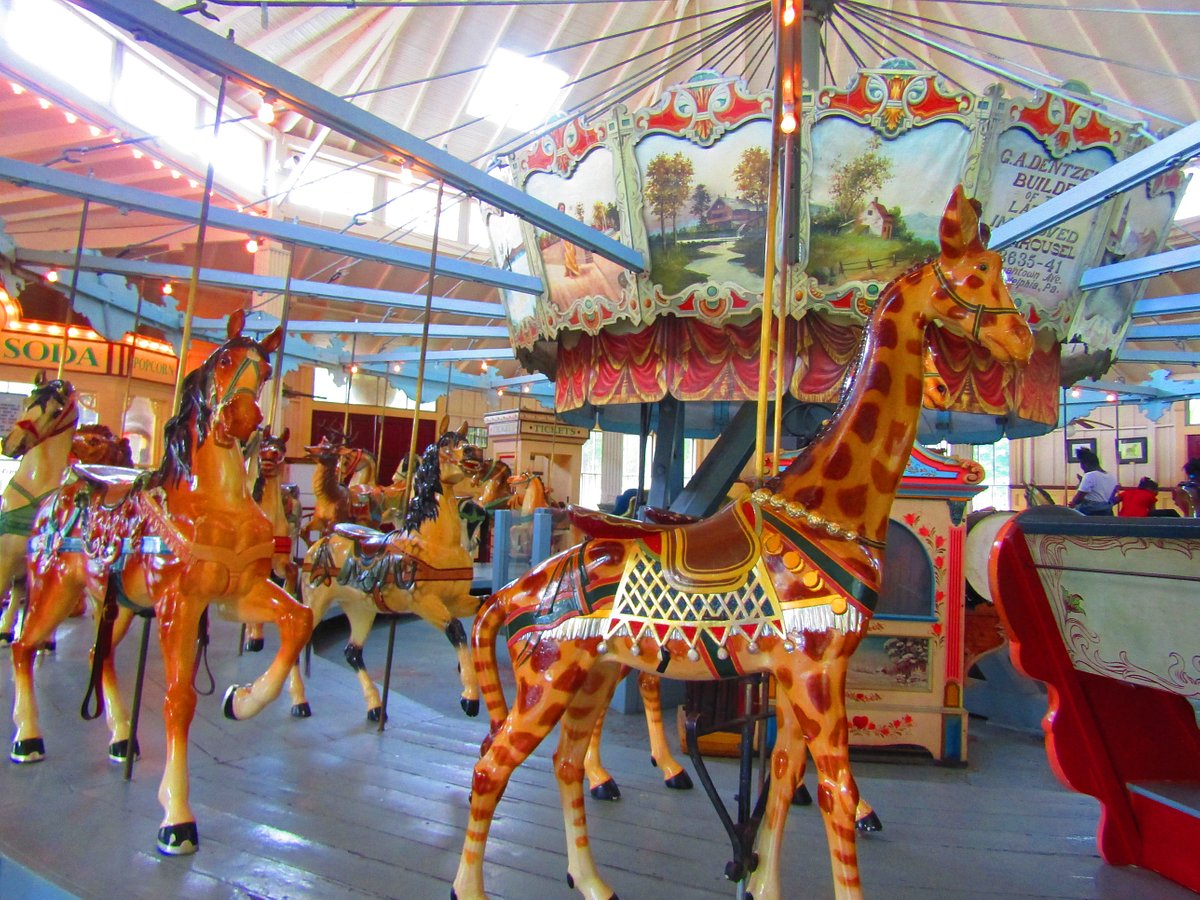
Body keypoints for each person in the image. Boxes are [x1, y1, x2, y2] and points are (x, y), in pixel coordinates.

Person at [1067, 447, 1118, 516]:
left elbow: (1079, 497)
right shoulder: (1111, 476)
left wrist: (1072, 504)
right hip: (1107, 511)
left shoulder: (1089, 475)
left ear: (1085, 464)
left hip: (1090, 511)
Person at [558, 202, 581, 278]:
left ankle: (572, 271)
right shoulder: (557, 219)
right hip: (564, 239)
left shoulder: (565, 217)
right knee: (567, 256)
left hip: (569, 238)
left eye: (563, 208)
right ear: (558, 209)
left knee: (572, 254)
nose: (562, 210)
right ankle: (570, 273)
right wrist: (562, 241)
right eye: (561, 208)